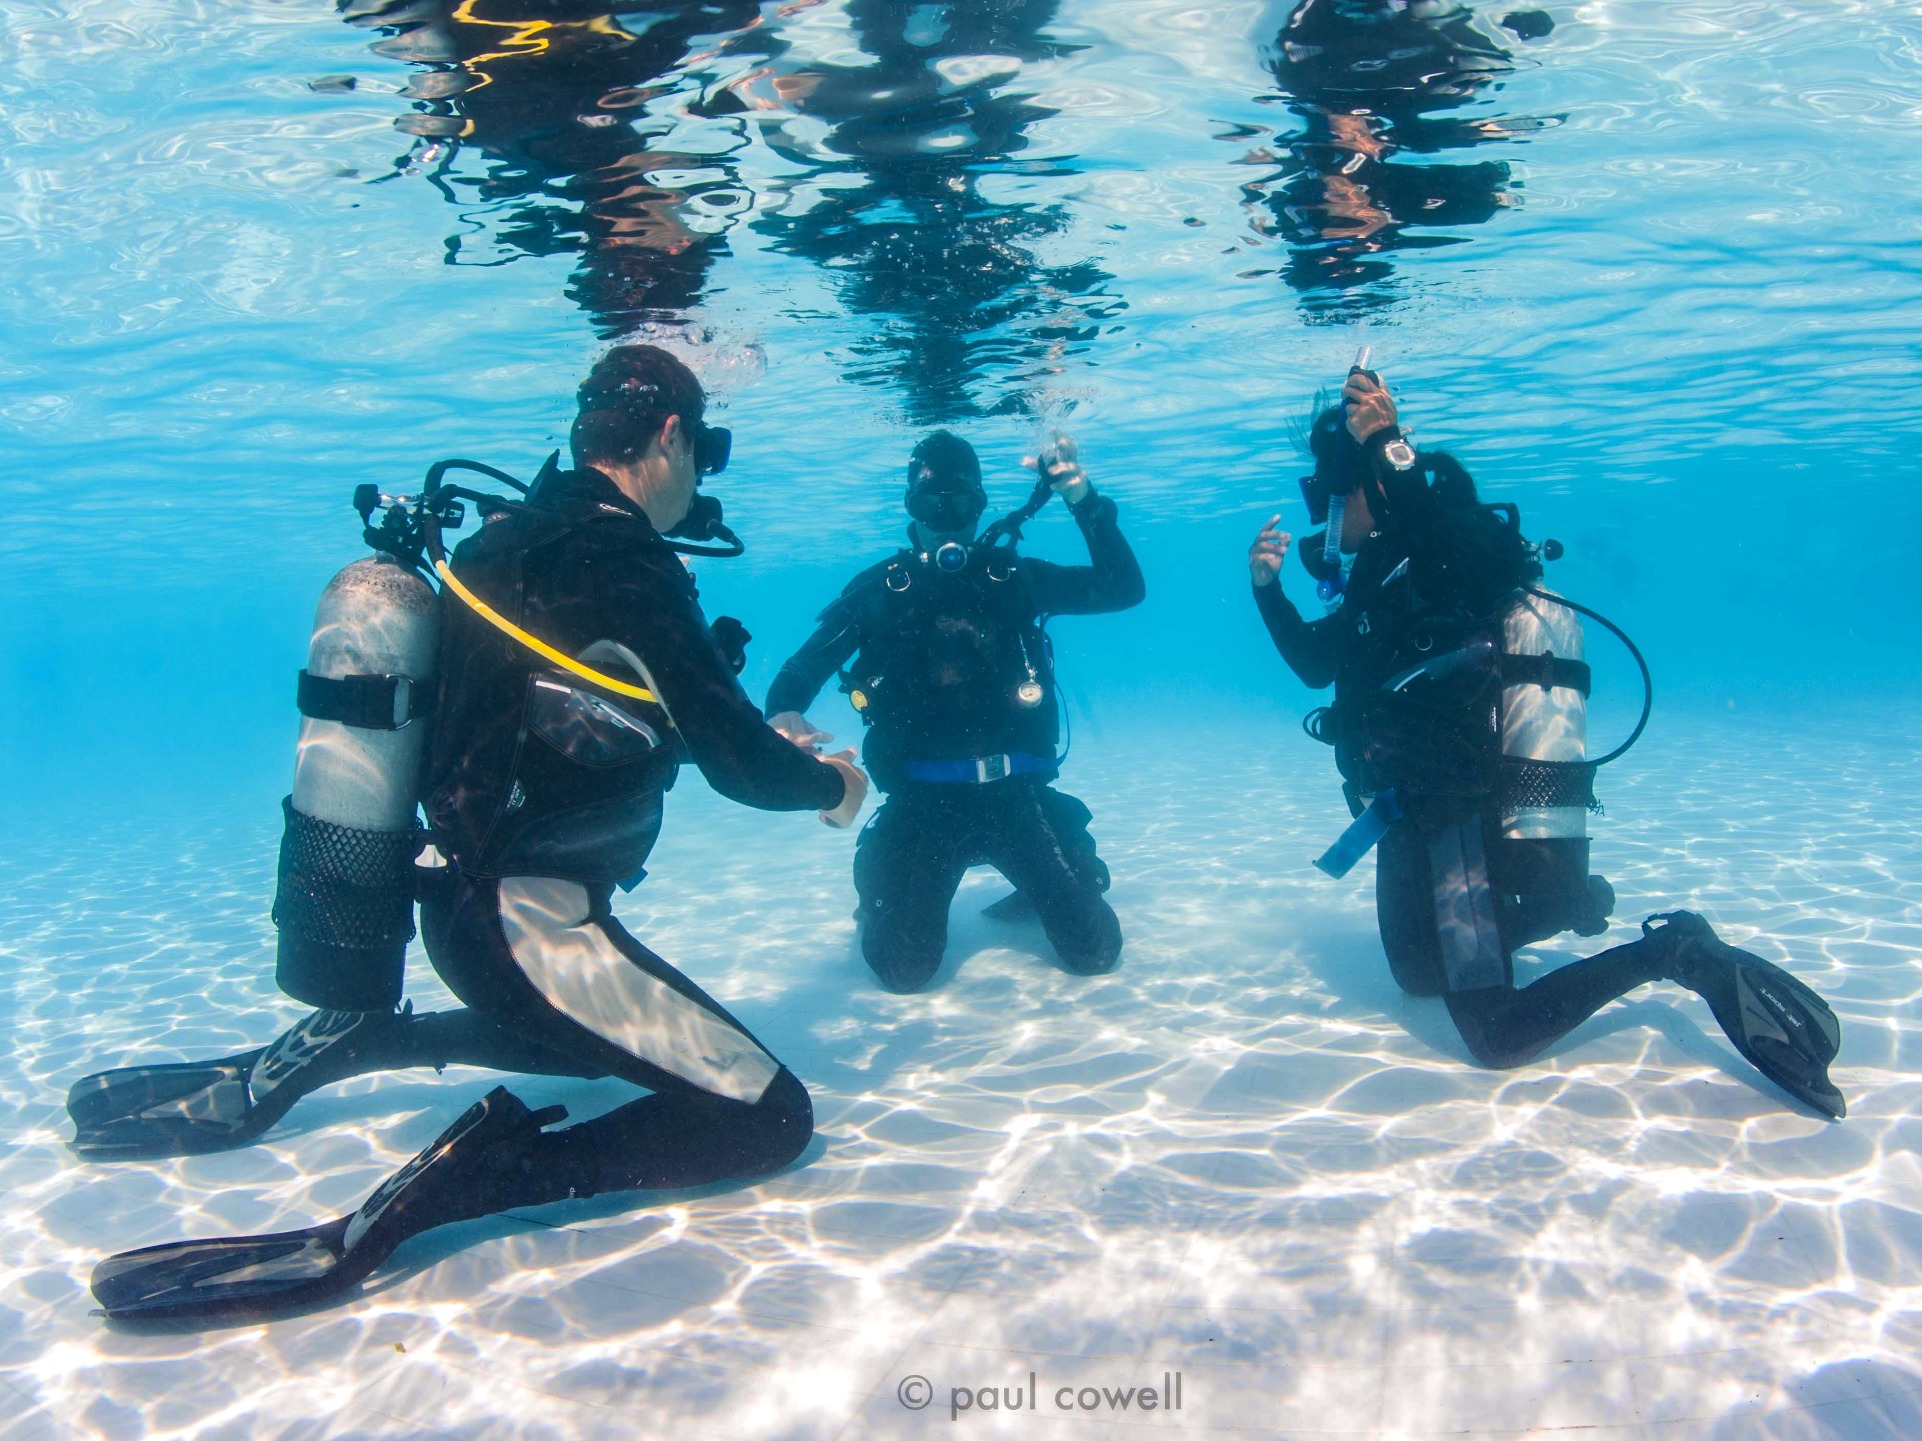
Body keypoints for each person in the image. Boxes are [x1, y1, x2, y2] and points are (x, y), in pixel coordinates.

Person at [70, 345, 871, 1321]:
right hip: (533, 934)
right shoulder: (622, 559)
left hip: (459, 916)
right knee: (769, 1116)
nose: (698, 484)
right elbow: (743, 769)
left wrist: (745, 733)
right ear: (668, 436)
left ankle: (346, 1044)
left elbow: (583, 725)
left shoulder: (507, 541)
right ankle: (466, 1179)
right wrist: (830, 783)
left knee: (597, 1049)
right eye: (701, 454)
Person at [1248, 365, 1845, 1118]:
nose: (1323, 514)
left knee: (1495, 1036)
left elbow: (1477, 547)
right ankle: (1569, 900)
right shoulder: (1385, 576)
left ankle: (1677, 950)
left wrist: (1388, 446)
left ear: (1370, 482)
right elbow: (1313, 664)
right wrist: (1266, 589)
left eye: (1329, 493)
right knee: (1413, 974)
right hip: (1409, 808)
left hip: (1460, 813)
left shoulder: (1444, 546)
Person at [764, 430, 1144, 992]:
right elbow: (802, 668)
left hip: (1016, 798)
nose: (947, 518)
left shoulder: (1015, 579)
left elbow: (1123, 587)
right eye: (929, 503)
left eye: (962, 502)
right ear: (910, 510)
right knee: (904, 969)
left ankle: (1054, 853)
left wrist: (1081, 497)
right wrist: (783, 712)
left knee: (1097, 952)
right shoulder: (880, 591)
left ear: (982, 506)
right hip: (923, 806)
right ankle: (883, 869)